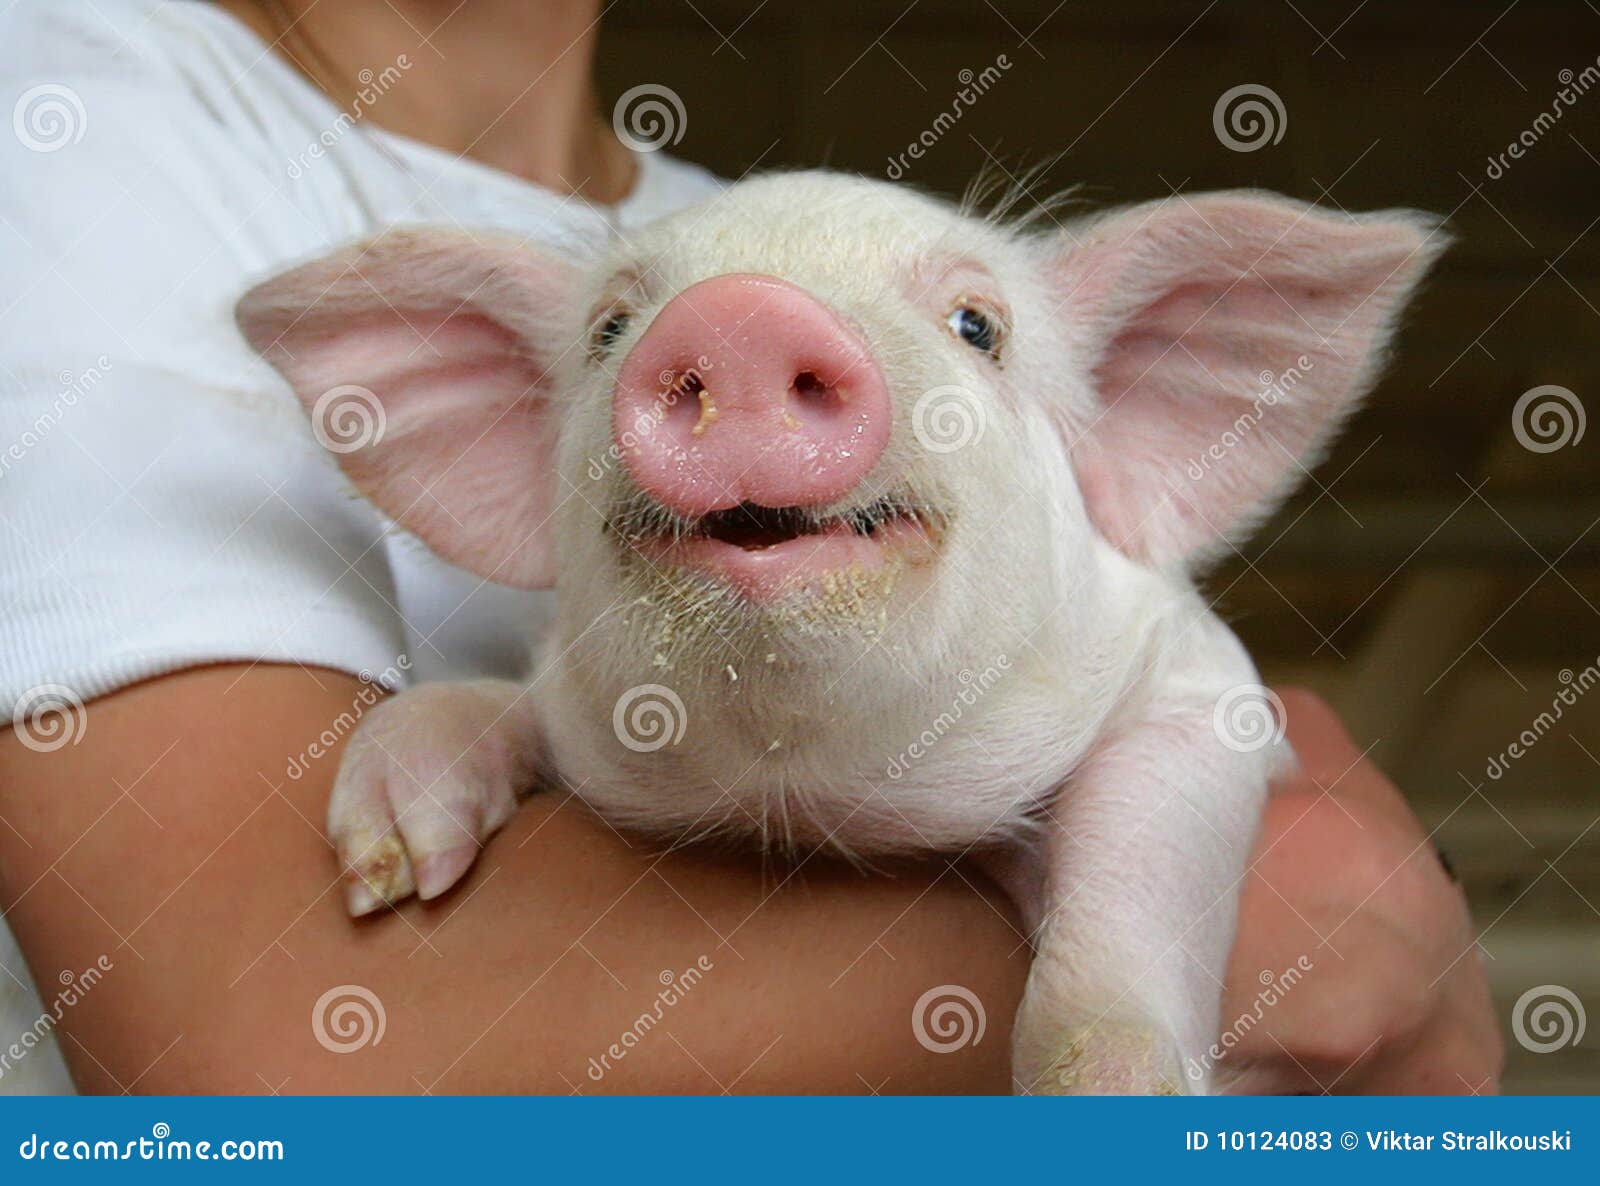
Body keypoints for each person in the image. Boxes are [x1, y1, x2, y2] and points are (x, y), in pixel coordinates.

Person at [0, 0, 1501, 1094]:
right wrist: (1215, 954)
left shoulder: (724, 235)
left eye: (971, 331)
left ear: (1151, 402)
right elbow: (259, 1057)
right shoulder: (71, 110)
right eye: (610, 338)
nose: (753, 388)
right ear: (481, 415)